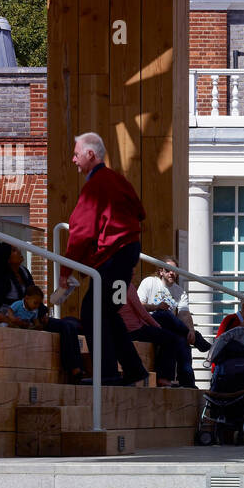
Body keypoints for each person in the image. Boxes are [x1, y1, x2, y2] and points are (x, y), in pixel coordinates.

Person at [53, 133, 148, 387]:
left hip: (115, 257)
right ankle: (134, 369)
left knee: (91, 310)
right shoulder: (118, 180)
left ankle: (106, 374)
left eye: (76, 154)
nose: (73, 159)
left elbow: (81, 231)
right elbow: (140, 211)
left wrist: (66, 270)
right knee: (109, 310)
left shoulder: (96, 185)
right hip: (127, 256)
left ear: (90, 155)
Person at [0, 275, 87, 382]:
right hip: (19, 323)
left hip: (38, 320)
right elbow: (5, 311)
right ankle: (73, 368)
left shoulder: (24, 274)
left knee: (71, 326)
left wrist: (40, 318)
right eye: (35, 303)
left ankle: (78, 366)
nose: (21, 257)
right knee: (66, 326)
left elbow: (36, 317)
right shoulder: (14, 298)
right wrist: (14, 320)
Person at [117, 283, 194, 388]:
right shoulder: (128, 286)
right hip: (134, 329)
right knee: (171, 337)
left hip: (124, 328)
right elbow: (141, 311)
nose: (133, 272)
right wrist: (157, 326)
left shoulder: (111, 284)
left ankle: (194, 337)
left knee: (174, 329)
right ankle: (164, 377)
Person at [138, 260, 210, 353]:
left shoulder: (180, 292)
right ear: (161, 272)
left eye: (174, 270)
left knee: (183, 341)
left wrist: (191, 330)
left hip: (167, 328)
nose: (171, 273)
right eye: (168, 270)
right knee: (164, 314)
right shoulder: (150, 282)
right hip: (148, 323)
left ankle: (187, 367)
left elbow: (184, 314)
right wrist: (156, 307)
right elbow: (139, 306)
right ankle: (199, 340)